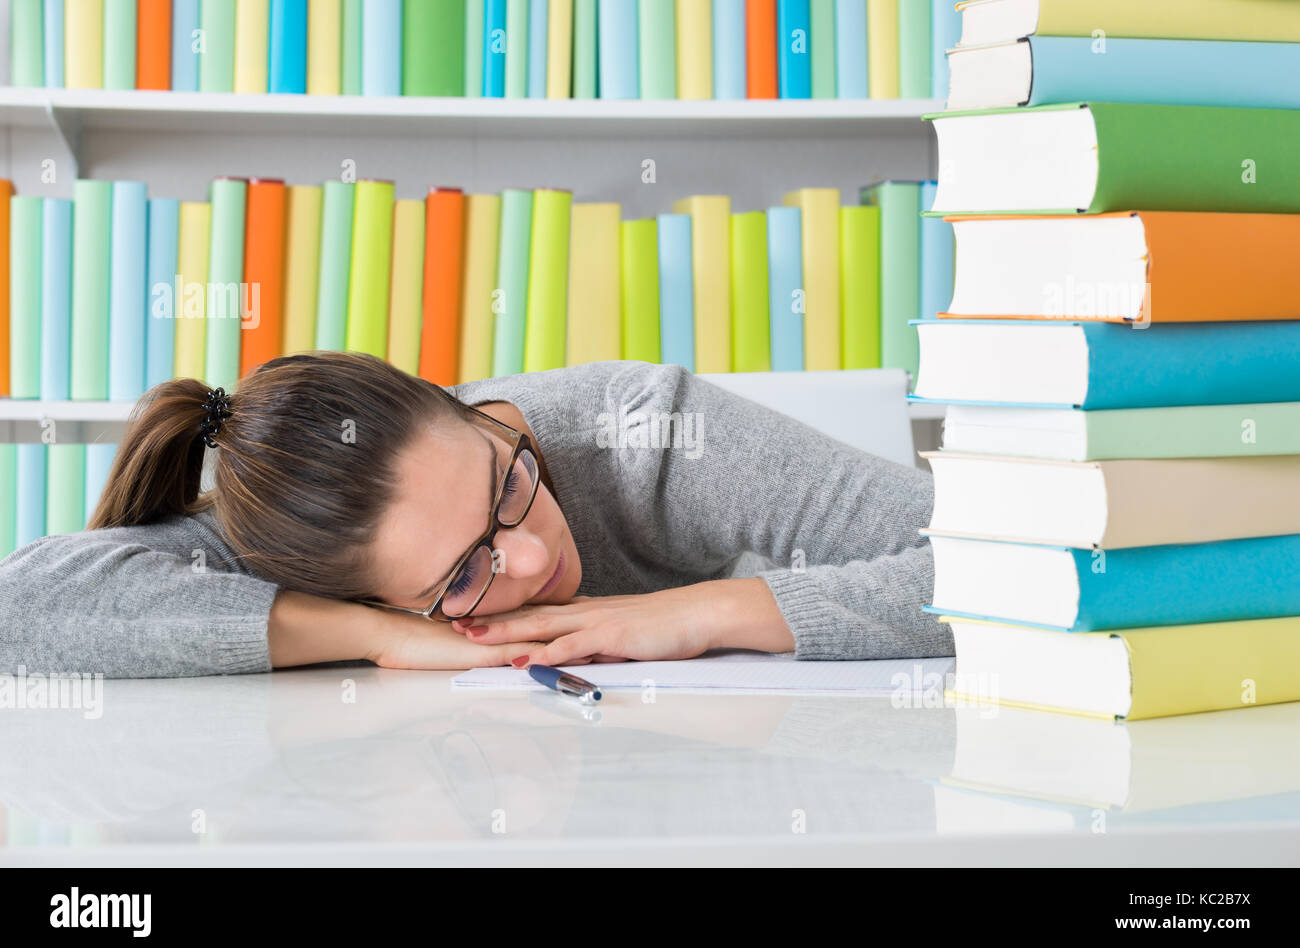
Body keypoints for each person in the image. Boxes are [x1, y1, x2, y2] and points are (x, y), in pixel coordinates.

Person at [0, 353, 951, 678]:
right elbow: (24, 605)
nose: (532, 552)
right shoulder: (303, 537)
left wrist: (704, 610)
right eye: (461, 575)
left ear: (462, 404)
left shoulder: (647, 432)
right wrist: (379, 640)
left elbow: (1021, 563)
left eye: (507, 481)